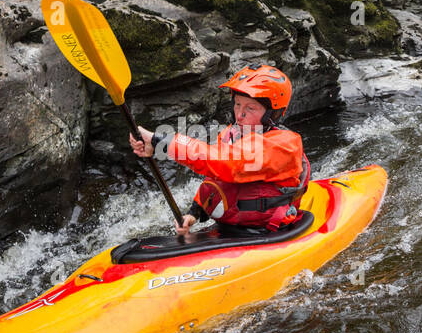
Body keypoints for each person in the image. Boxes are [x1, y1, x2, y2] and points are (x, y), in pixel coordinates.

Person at [129, 64, 311, 236]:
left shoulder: (284, 145)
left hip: (268, 230)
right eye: (238, 104)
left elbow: (228, 162)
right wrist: (194, 213)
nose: (239, 114)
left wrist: (160, 140)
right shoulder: (231, 134)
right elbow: (216, 176)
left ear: (274, 114)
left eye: (250, 108)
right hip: (231, 227)